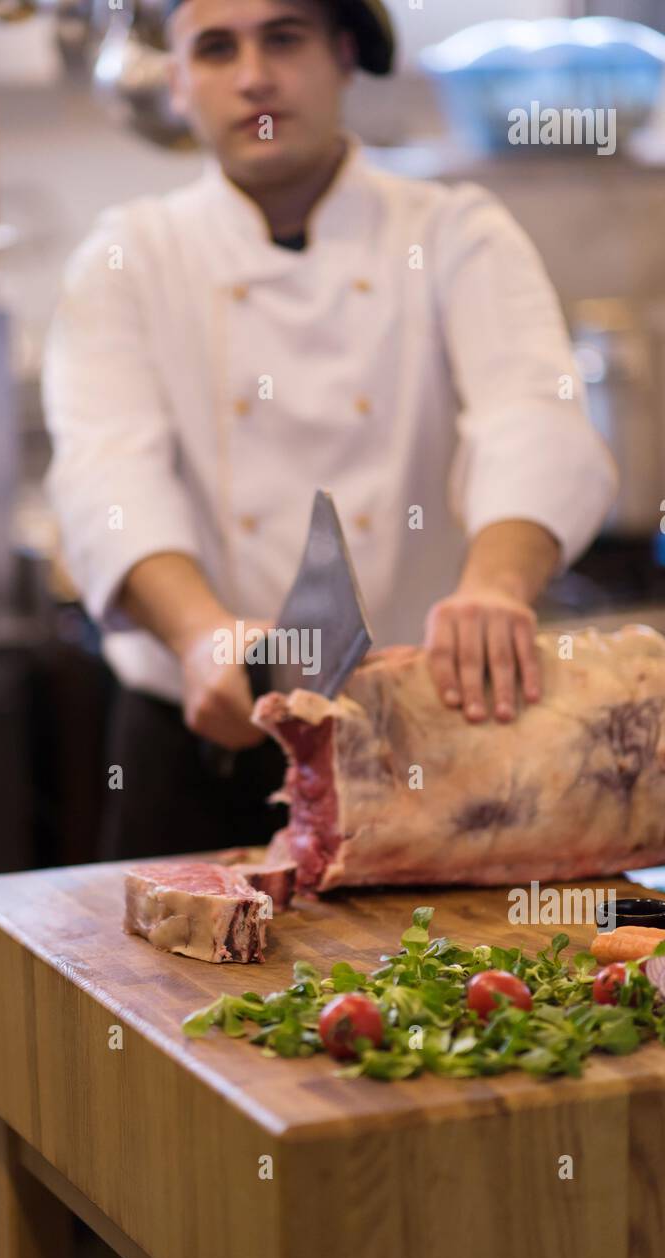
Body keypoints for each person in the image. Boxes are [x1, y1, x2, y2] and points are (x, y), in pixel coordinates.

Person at [43, 0, 618, 860]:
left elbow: (531, 412)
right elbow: (105, 472)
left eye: (283, 37)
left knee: (432, 989)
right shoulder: (127, 257)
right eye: (215, 49)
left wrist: (497, 586)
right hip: (202, 747)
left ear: (343, 55)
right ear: (176, 84)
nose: (253, 77)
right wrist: (201, 634)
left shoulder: (455, 231)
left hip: (425, 732)